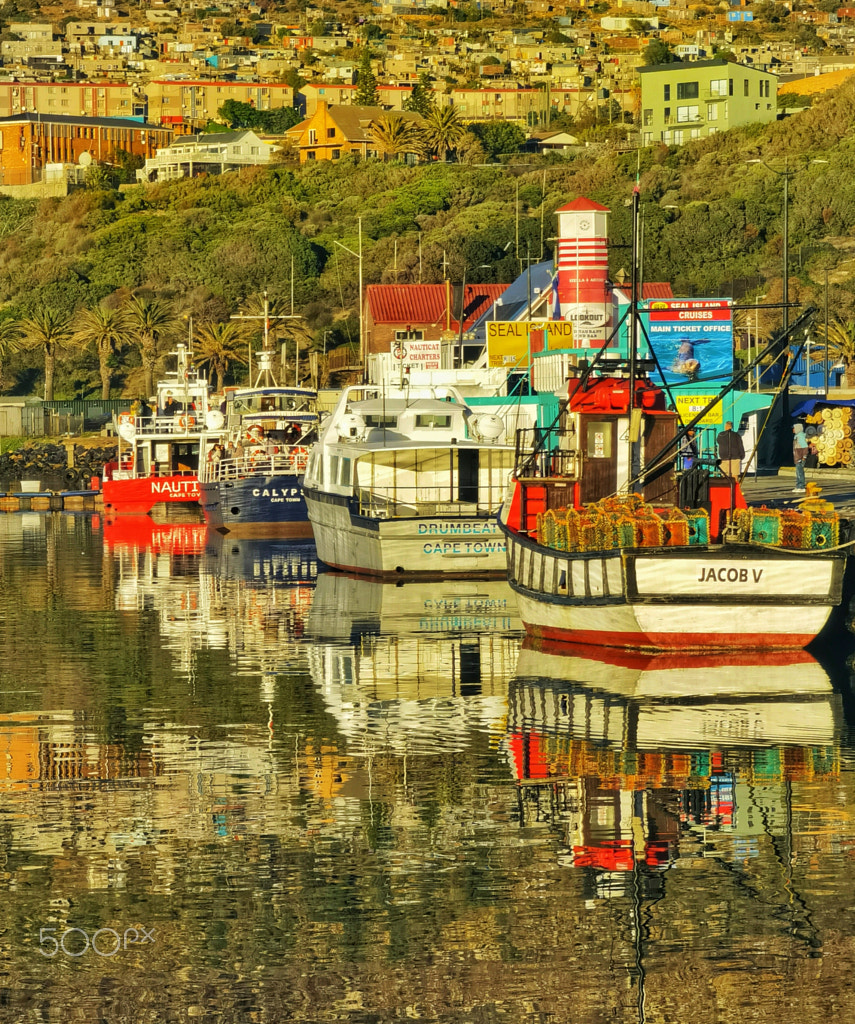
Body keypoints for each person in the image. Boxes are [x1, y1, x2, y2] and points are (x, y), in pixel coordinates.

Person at [793, 423, 809, 493]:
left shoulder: (800, 436)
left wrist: (804, 457)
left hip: (800, 458)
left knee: (800, 472)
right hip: (797, 457)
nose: (793, 430)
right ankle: (798, 486)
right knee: (798, 472)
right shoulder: (797, 436)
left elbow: (805, 447)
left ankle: (801, 486)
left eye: (794, 428)